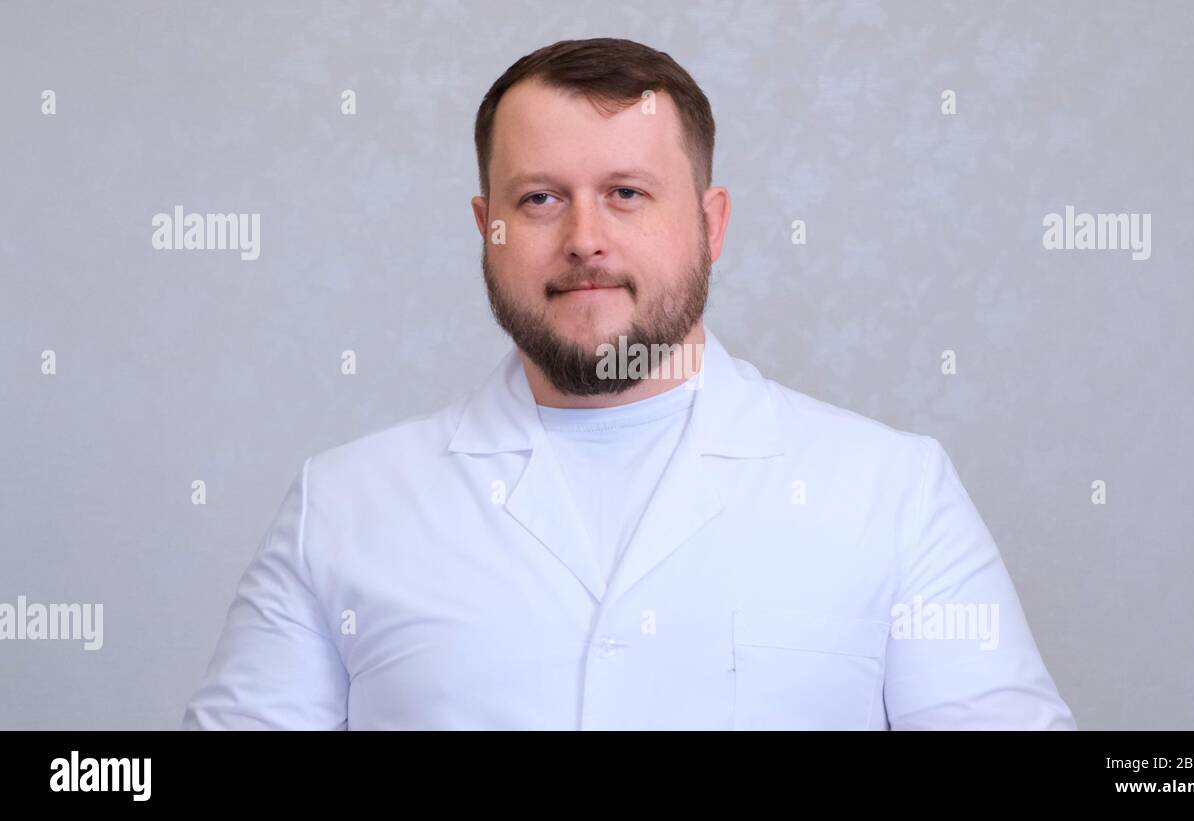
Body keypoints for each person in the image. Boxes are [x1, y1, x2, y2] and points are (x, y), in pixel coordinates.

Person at [183, 37, 1075, 730]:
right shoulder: (342, 506)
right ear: (486, 227)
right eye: (539, 199)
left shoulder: (893, 493)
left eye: (626, 193)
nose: (584, 238)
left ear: (710, 223)